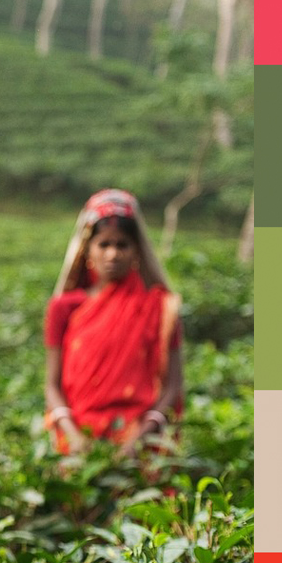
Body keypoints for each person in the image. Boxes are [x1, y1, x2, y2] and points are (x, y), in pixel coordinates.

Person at [43, 189, 184, 456]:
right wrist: (73, 436)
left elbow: (173, 385)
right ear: (88, 250)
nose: (112, 254)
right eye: (104, 244)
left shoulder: (159, 307)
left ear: (136, 252)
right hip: (78, 439)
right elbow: (52, 384)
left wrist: (139, 440)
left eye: (122, 245)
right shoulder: (64, 308)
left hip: (138, 438)